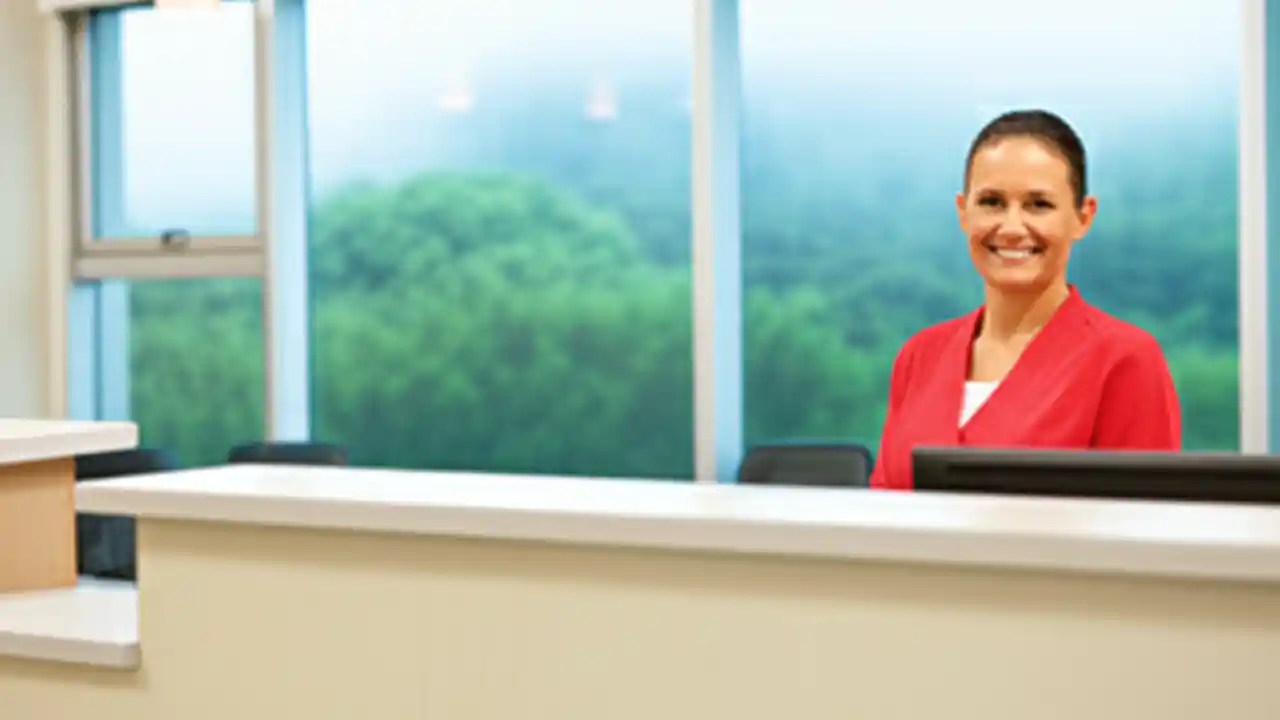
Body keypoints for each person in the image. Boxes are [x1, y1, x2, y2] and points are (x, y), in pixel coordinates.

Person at [868, 109, 1181, 491]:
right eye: (992, 202)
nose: (1012, 228)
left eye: (1038, 204)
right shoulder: (919, 357)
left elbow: (1143, 532)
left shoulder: (1125, 360)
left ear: (1083, 217)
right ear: (963, 212)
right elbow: (881, 510)